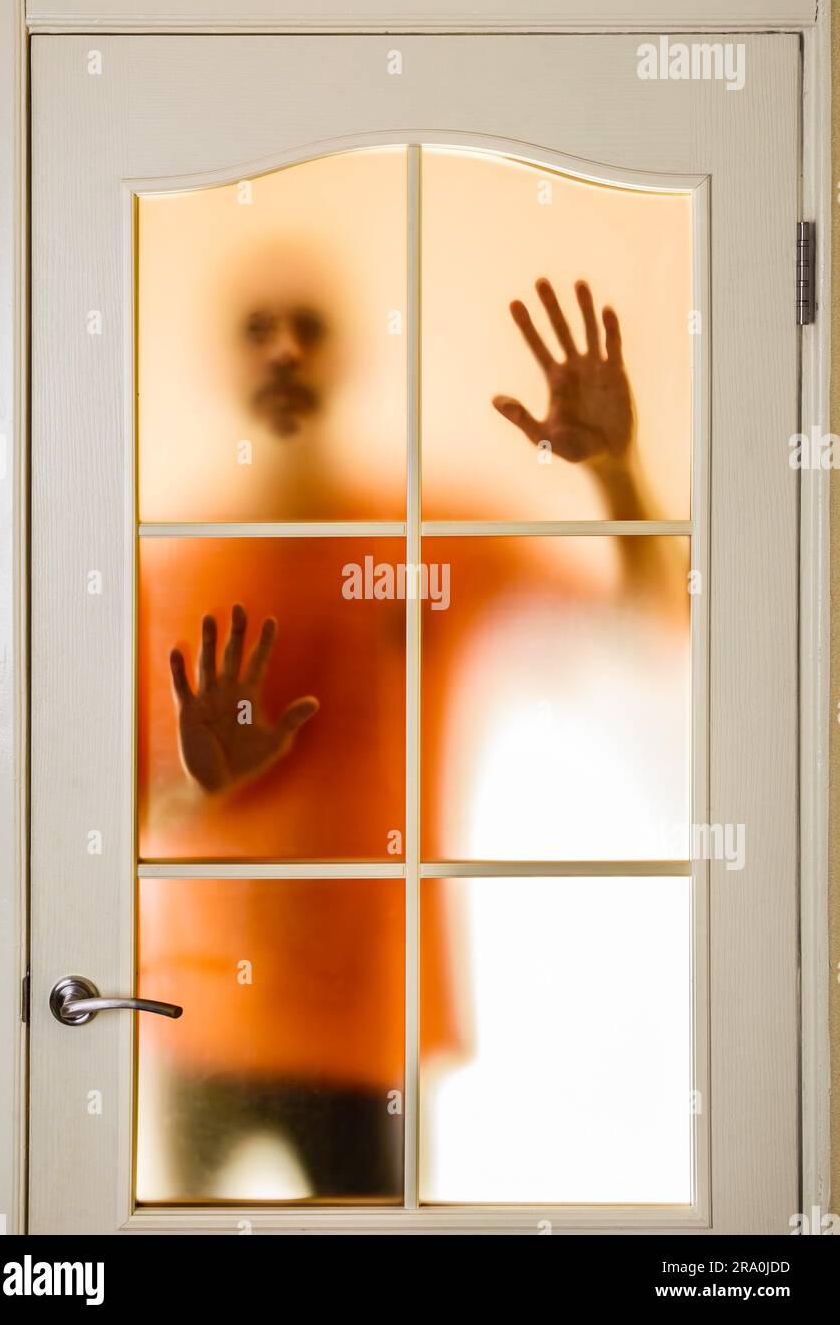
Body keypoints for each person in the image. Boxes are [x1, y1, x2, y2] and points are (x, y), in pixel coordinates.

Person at [137, 260, 685, 1203]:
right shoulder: (173, 569)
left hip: (366, 1033)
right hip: (201, 1022)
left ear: (345, 350)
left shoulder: (431, 534)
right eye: (256, 325)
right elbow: (123, 804)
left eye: (305, 320)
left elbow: (651, 615)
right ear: (220, 360)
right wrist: (201, 785)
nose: (283, 348)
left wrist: (615, 470)